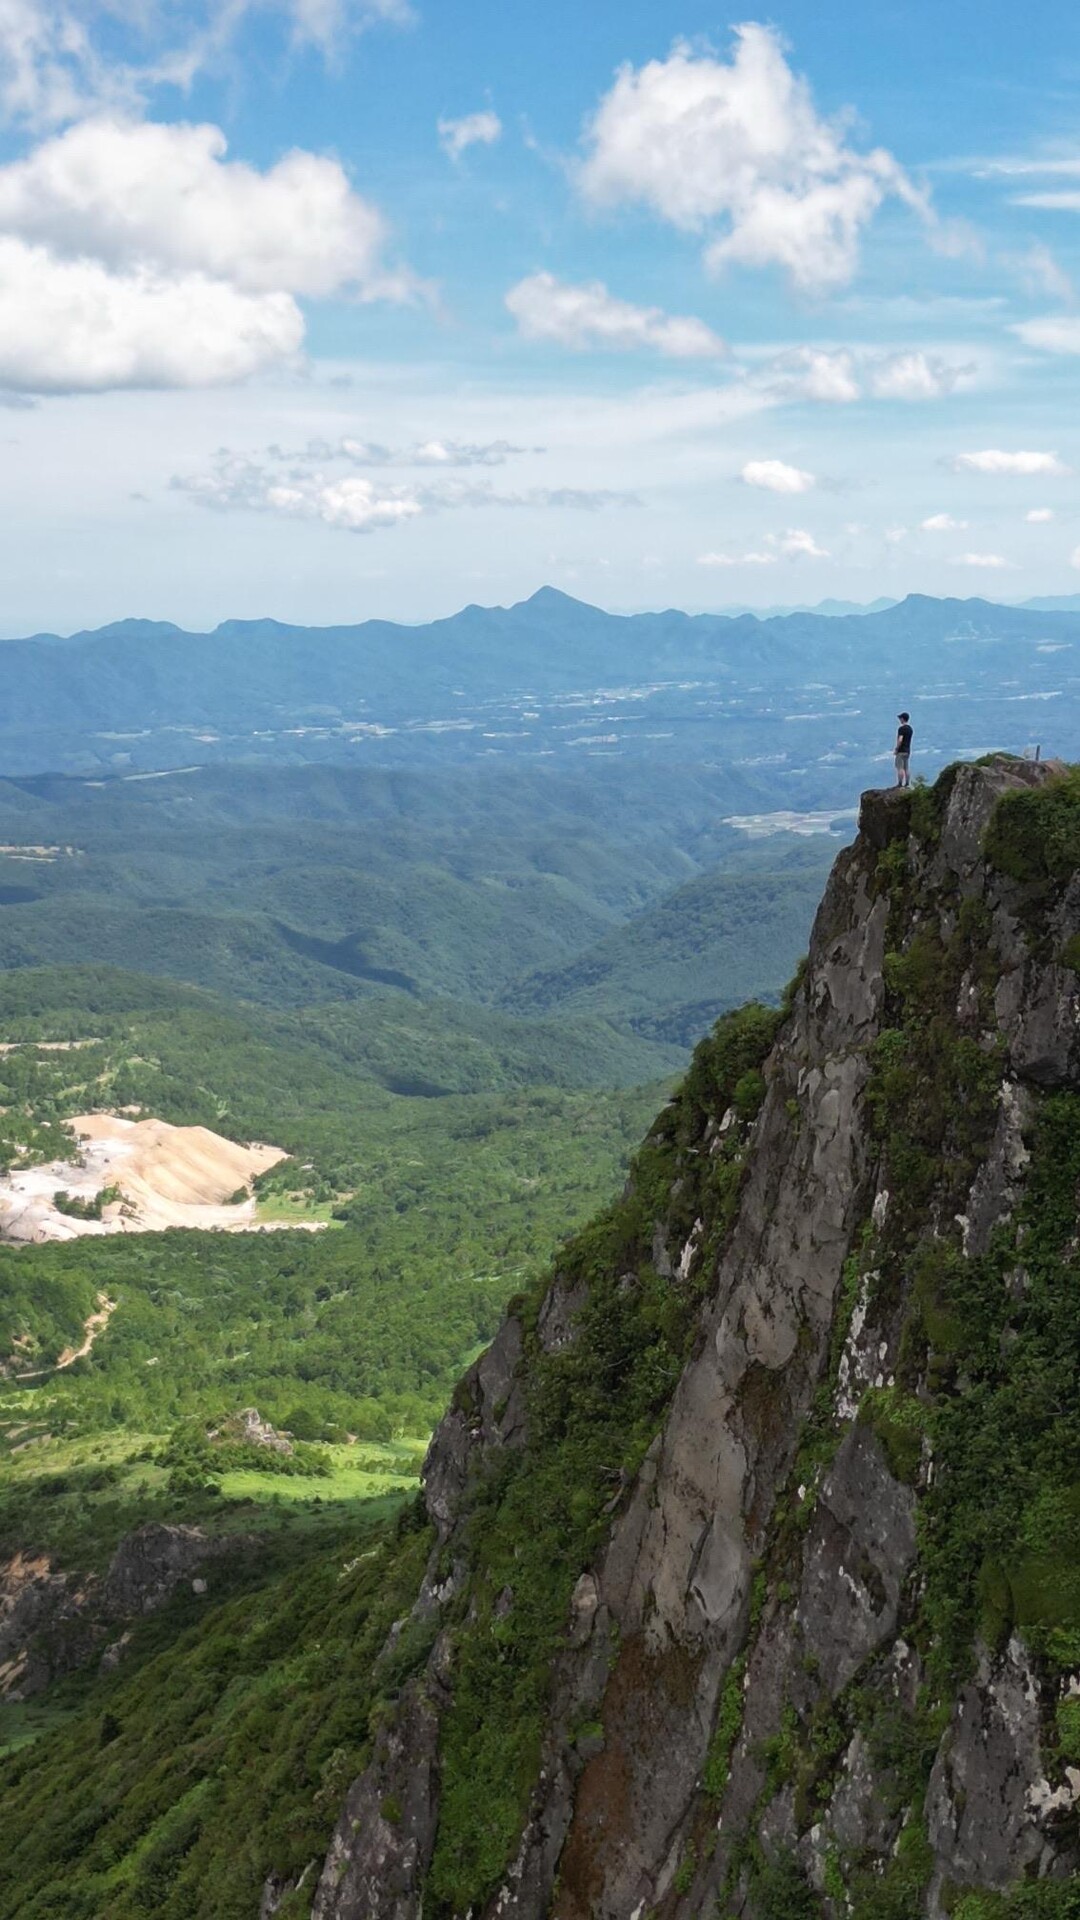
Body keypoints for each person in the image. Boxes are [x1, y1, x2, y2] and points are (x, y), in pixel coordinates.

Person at [894, 712, 913, 788]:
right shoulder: (910, 729)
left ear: (902, 719)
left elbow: (900, 739)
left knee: (900, 768)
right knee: (906, 768)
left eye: (900, 718)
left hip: (901, 751)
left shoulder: (901, 729)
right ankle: (907, 783)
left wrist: (896, 748)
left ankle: (900, 783)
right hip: (907, 751)